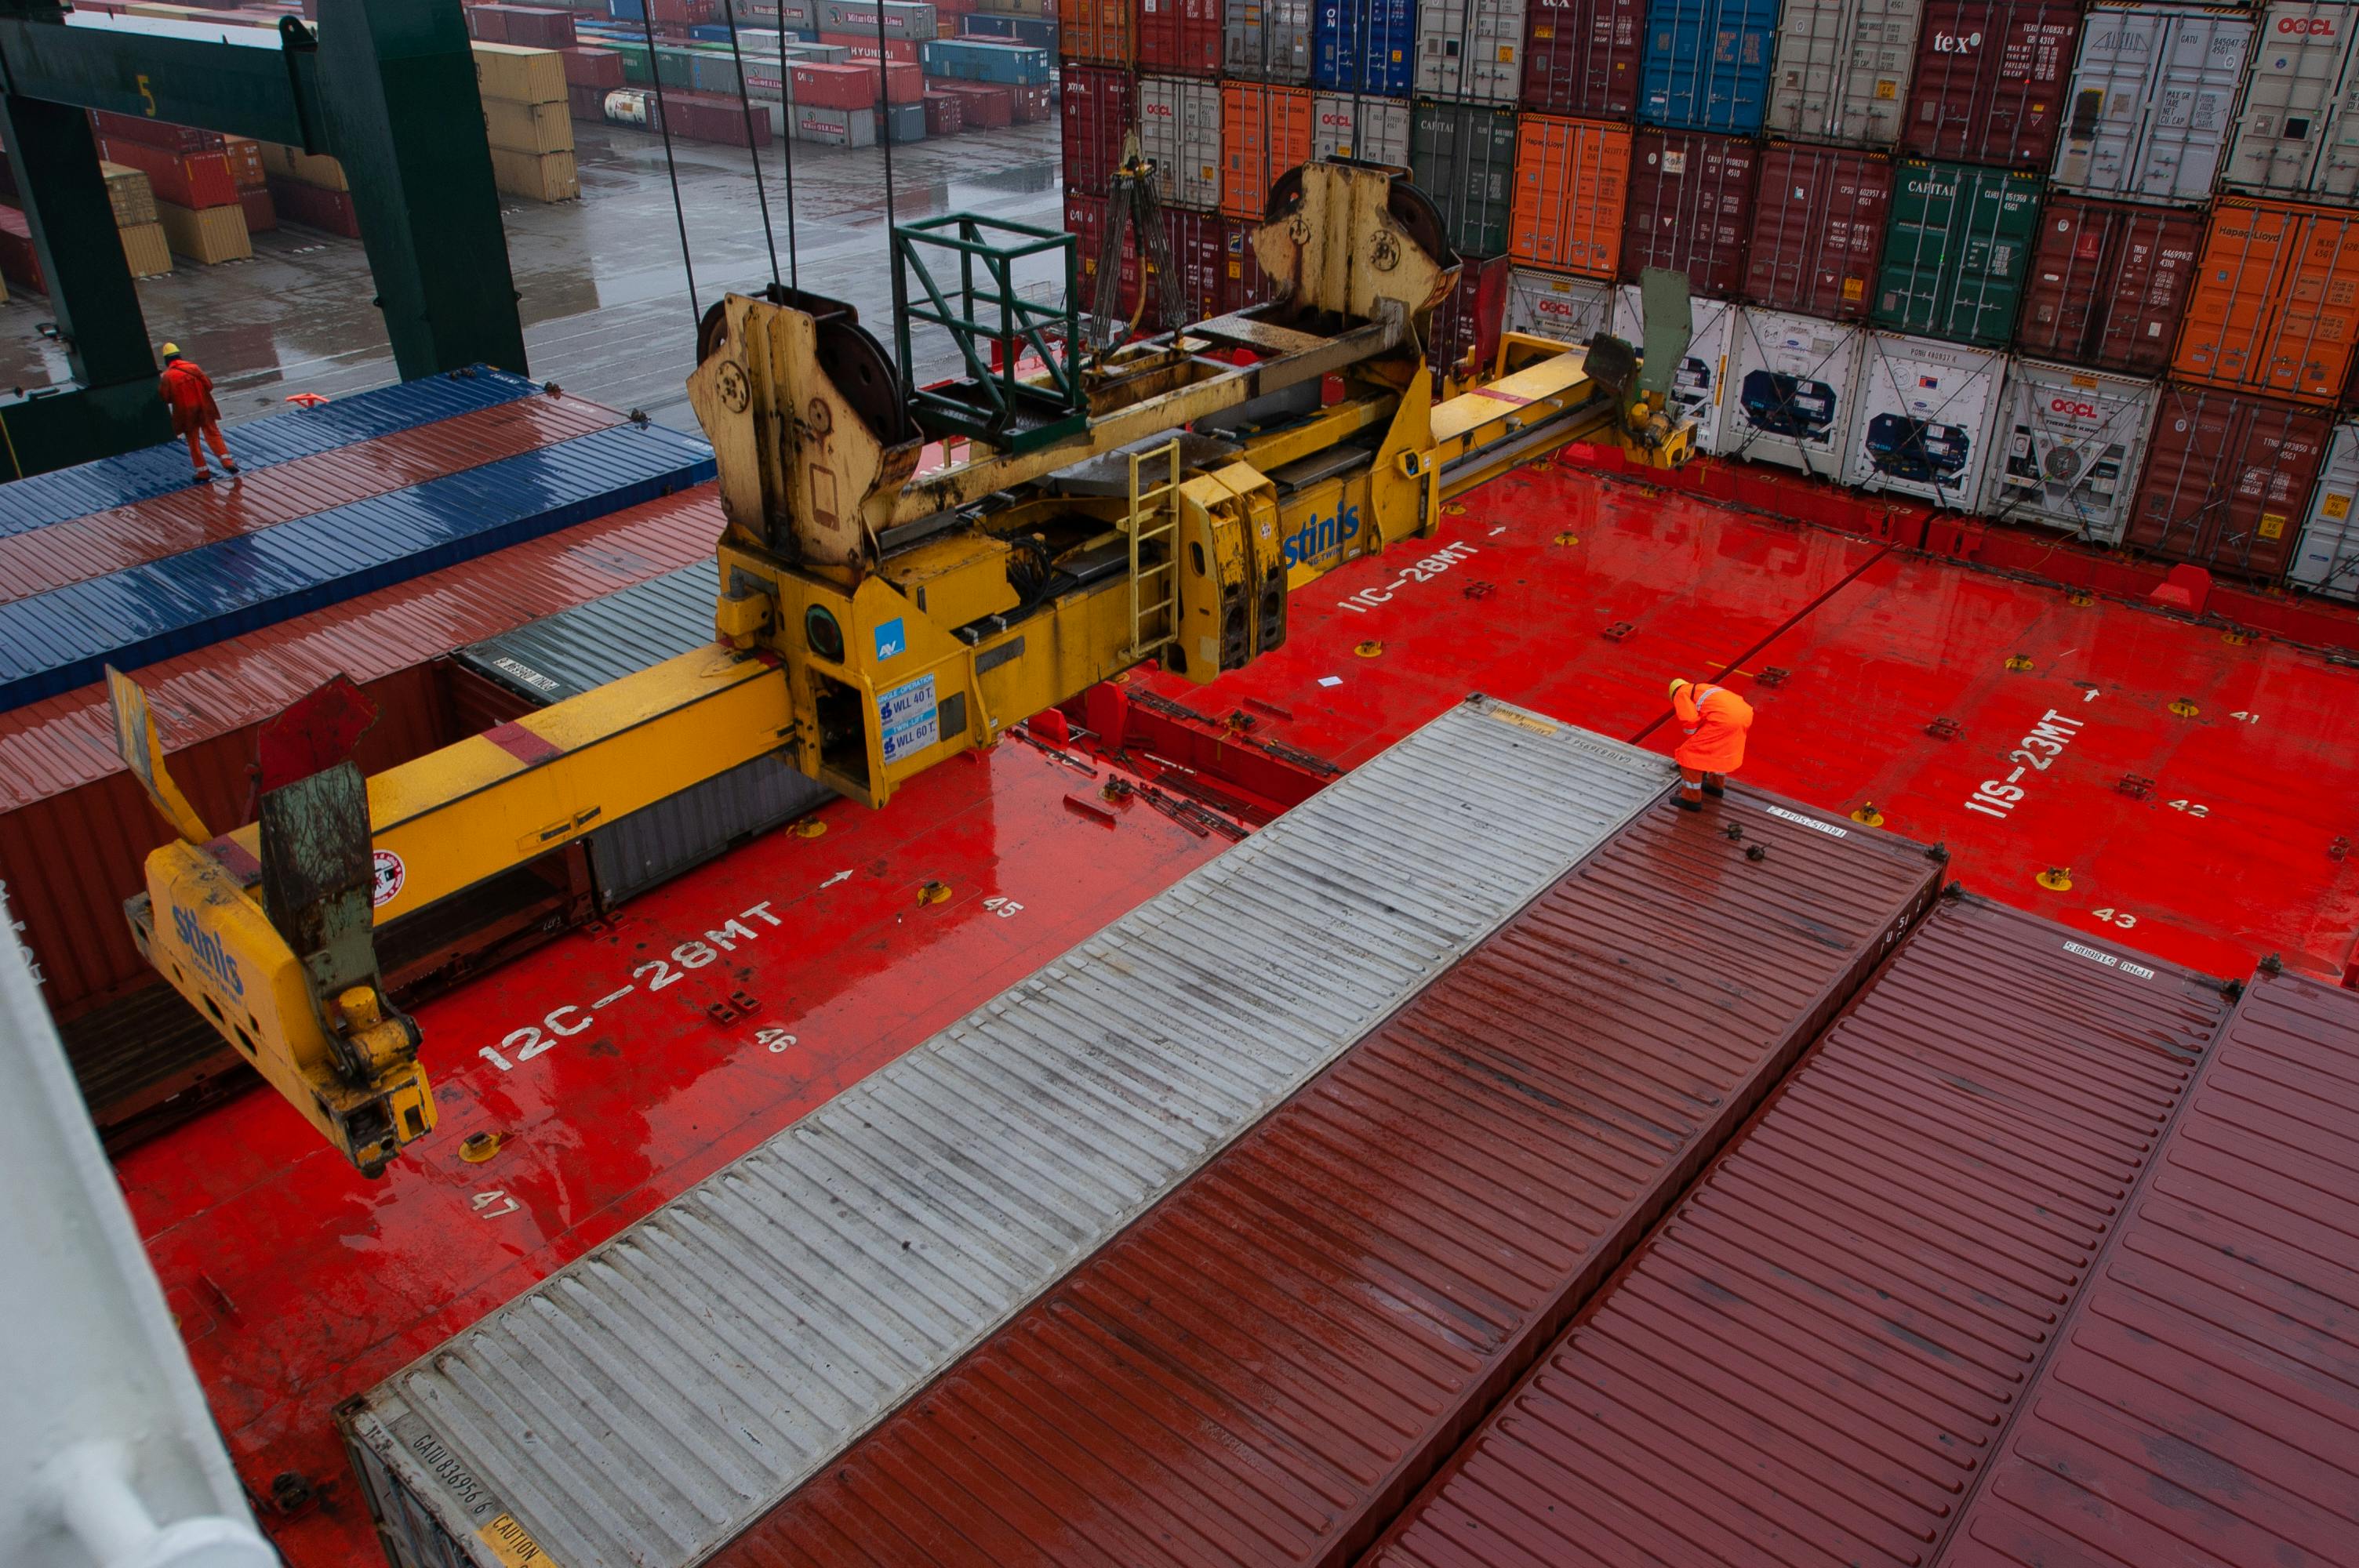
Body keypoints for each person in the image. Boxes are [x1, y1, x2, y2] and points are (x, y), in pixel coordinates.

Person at [1668, 676, 1752, 811]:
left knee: (1690, 755)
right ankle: (1715, 787)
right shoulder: (1702, 689)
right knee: (1720, 750)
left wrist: (1694, 741)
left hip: (1724, 720)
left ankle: (1691, 800)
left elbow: (1689, 721)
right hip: (1744, 714)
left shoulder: (1680, 693)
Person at [158, 343, 238, 481]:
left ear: (166, 360)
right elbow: (209, 386)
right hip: (204, 408)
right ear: (179, 355)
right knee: (213, 434)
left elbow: (165, 397)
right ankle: (227, 462)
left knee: (193, 442)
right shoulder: (193, 368)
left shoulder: (168, 376)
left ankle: (203, 472)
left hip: (186, 413)